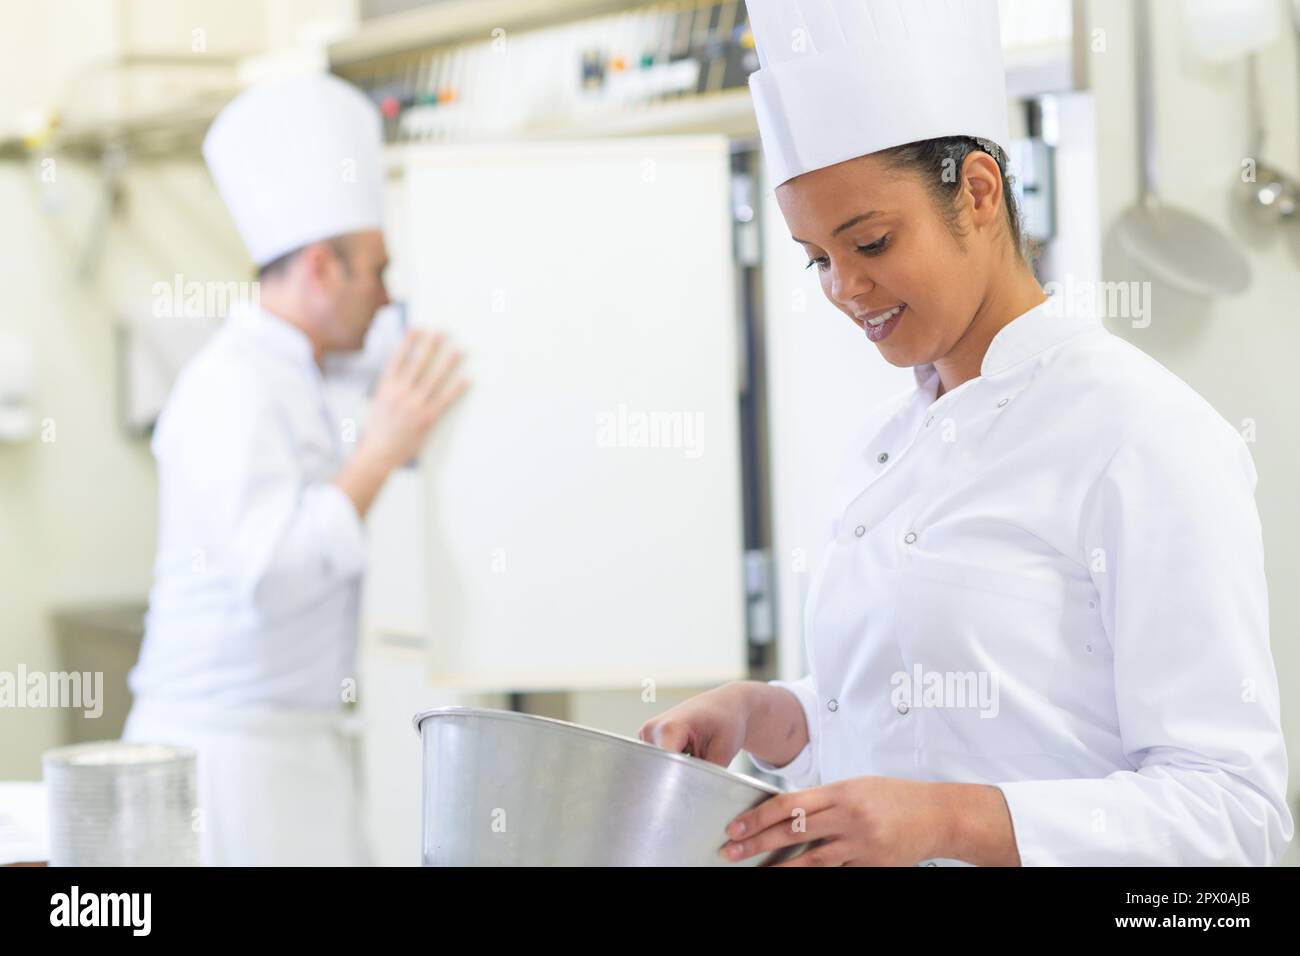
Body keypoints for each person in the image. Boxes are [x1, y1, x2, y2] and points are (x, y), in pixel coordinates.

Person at [640, 0, 1292, 866]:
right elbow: (923, 717)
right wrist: (778, 716)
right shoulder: (888, 443)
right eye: (817, 258)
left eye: (869, 240)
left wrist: (954, 821)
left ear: (978, 192)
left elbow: (1234, 813)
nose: (844, 287)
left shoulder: (1144, 436)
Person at [123, 73, 467, 865]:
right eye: (376, 272)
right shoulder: (229, 388)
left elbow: (396, 352)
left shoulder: (314, 366)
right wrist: (378, 453)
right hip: (226, 765)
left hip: (298, 753)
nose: (386, 297)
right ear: (321, 269)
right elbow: (271, 571)